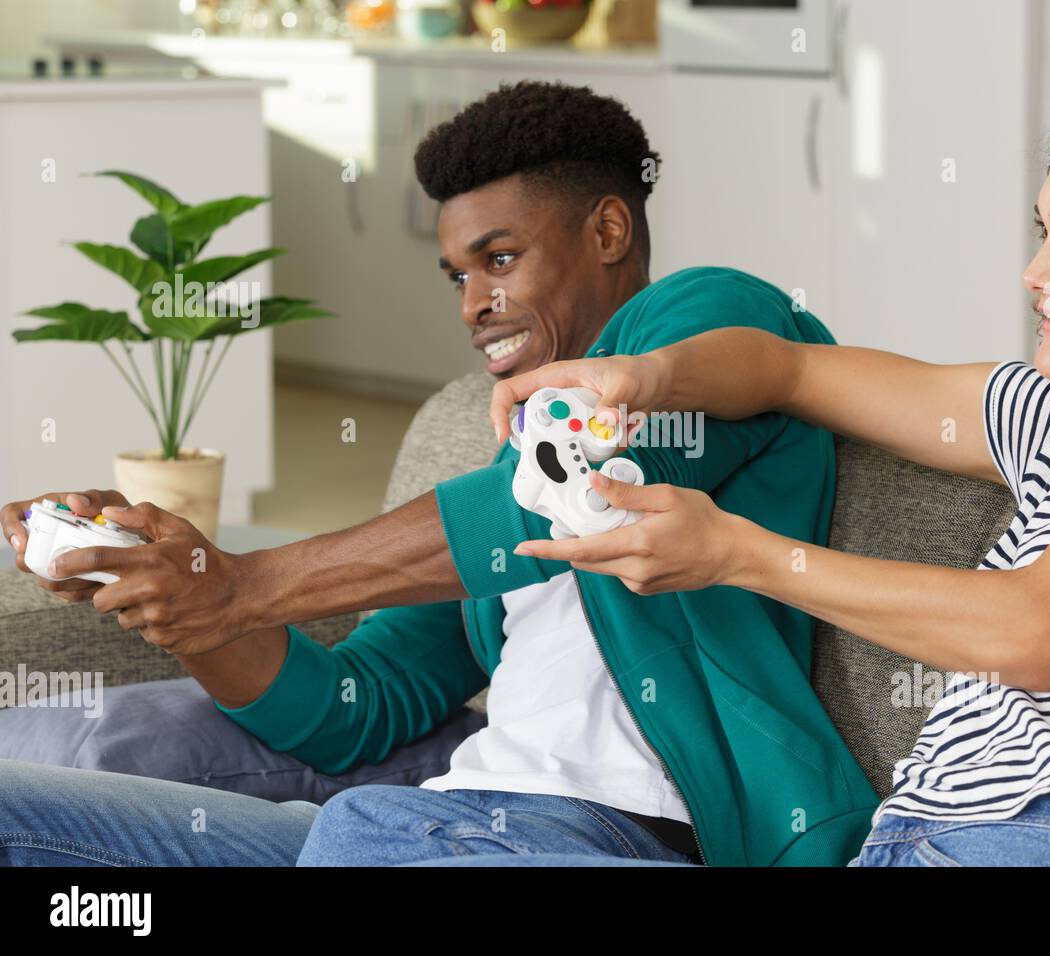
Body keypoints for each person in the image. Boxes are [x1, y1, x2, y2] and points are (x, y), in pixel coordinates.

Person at [488, 2, 1050, 867]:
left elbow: (1042, 628)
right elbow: (789, 370)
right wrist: (646, 375)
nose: (1035, 271)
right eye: (1043, 230)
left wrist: (736, 553)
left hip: (1045, 834)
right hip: (919, 835)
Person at [0, 81, 878, 867]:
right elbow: (351, 710)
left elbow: (576, 485)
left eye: (500, 260)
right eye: (457, 275)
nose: (471, 305)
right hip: (435, 827)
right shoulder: (485, 513)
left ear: (608, 230)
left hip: (601, 836)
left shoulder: (715, 321)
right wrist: (182, 599)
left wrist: (246, 583)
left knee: (361, 831)